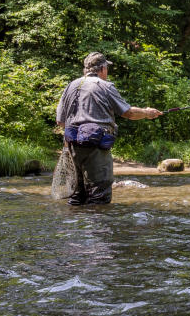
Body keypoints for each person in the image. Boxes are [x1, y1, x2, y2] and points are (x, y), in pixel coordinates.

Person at [55, 51, 161, 205]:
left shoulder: (71, 86)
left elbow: (60, 121)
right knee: (99, 196)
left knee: (77, 197)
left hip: (72, 148)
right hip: (96, 148)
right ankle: (97, 228)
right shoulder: (105, 86)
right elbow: (129, 113)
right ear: (103, 69)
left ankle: (75, 228)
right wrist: (147, 113)